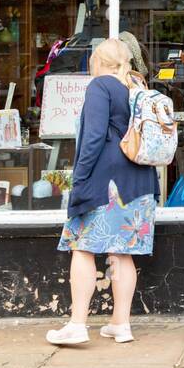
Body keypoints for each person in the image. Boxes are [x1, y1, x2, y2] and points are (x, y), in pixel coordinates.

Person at [46, 37, 160, 346]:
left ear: (96, 62)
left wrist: (79, 180)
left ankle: (77, 324)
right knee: (122, 252)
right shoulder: (137, 88)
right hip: (141, 182)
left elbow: (93, 138)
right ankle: (120, 324)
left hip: (106, 184)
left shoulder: (100, 86)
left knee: (83, 248)